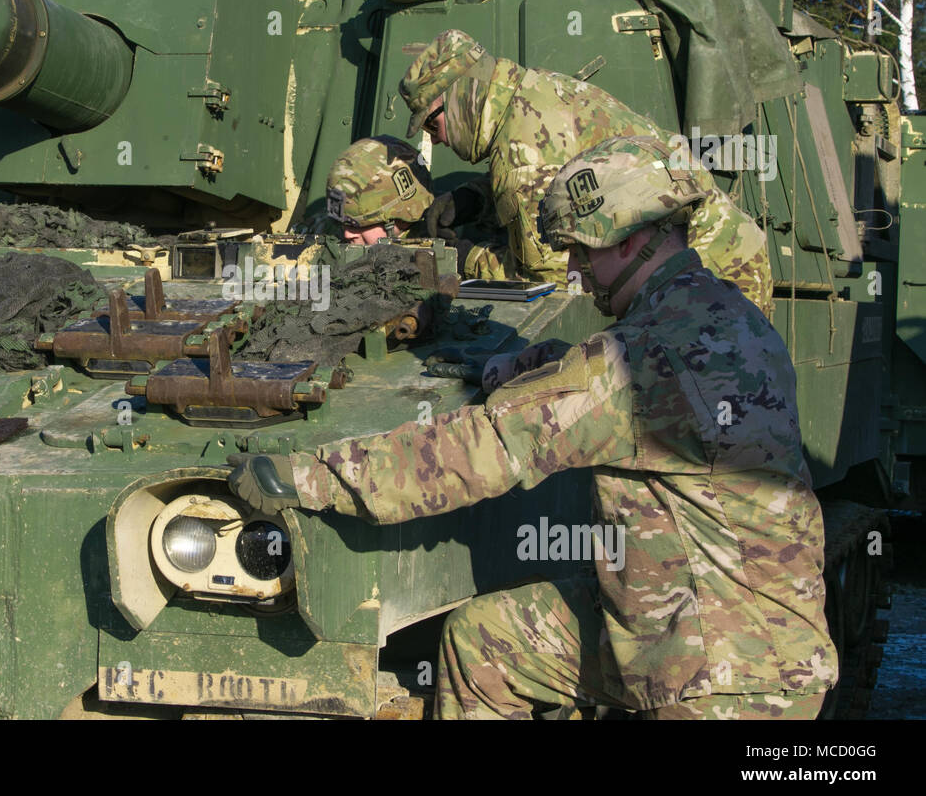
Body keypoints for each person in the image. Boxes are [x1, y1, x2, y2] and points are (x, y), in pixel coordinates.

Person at [227, 135, 836, 719]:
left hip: (725, 671)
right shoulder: (721, 311)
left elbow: (486, 447)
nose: (574, 270)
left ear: (629, 240)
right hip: (679, 613)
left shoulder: (647, 355)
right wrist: (538, 366)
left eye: (581, 249)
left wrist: (305, 477)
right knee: (487, 643)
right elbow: (610, 388)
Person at [400, 29, 774, 316]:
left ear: (461, 97)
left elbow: (554, 278)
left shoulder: (523, 151)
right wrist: (475, 200)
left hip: (707, 277)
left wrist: (463, 257)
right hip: (715, 255)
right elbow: (561, 179)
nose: (440, 141)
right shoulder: (532, 91)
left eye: (433, 126)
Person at [325, 136, 434, 245]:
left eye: (357, 226)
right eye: (342, 223)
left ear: (403, 221)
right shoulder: (325, 232)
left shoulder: (436, 251)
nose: (347, 234)